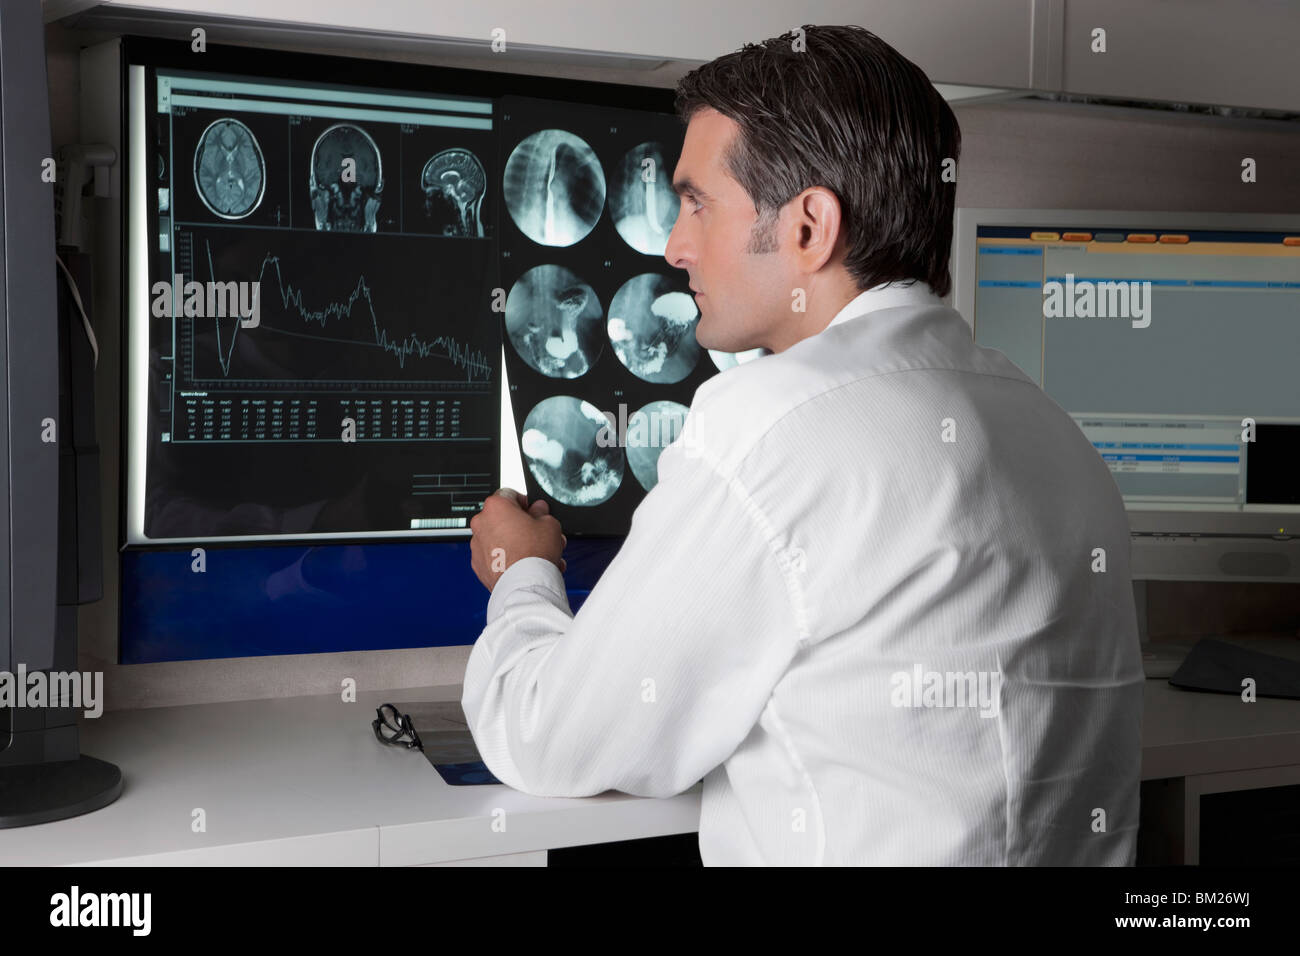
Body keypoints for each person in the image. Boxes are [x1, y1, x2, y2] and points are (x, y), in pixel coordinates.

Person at [463, 23, 1144, 865]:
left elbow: (550, 737)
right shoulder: (1050, 426)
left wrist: (522, 574)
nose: (674, 246)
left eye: (698, 202)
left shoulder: (770, 424)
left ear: (809, 228)